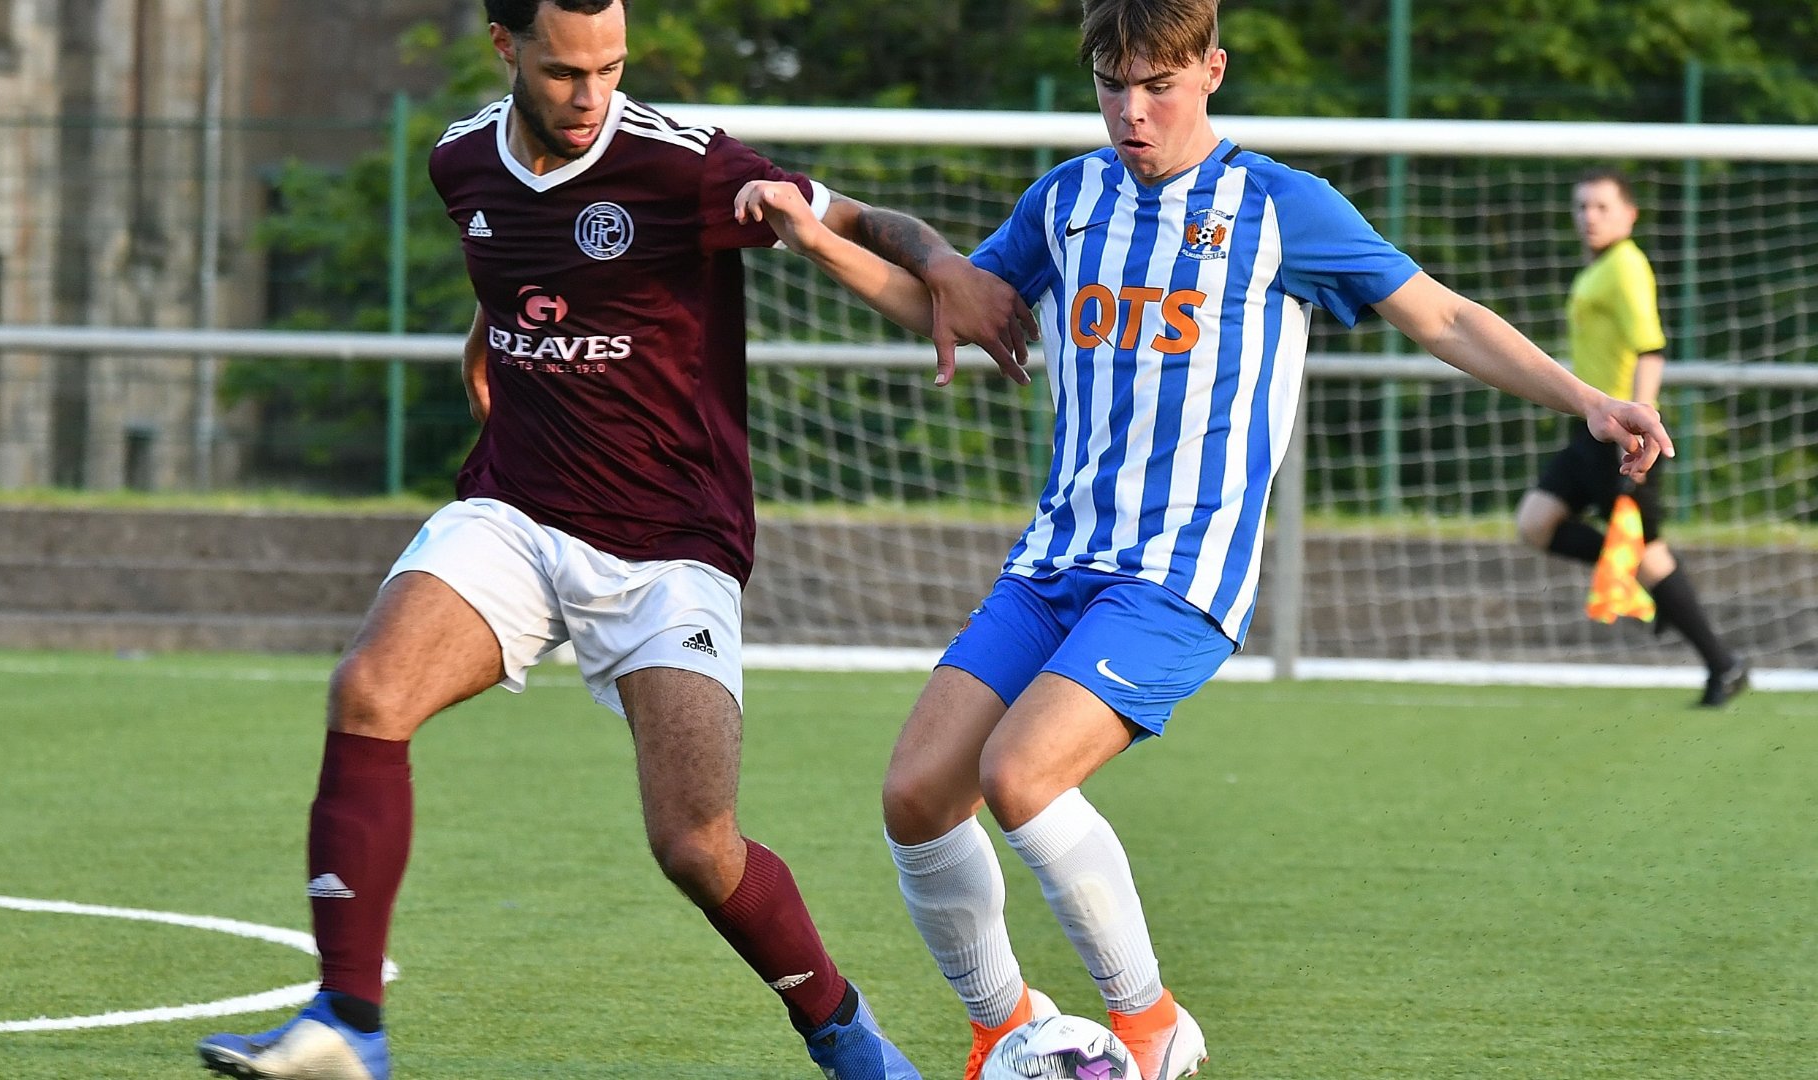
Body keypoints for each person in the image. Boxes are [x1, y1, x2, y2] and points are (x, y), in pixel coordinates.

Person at [733, 1, 1674, 1077]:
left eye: (1158, 85)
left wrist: (1589, 401)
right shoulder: (1068, 199)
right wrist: (815, 241)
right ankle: (1010, 1031)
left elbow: (1444, 318)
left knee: (1022, 775)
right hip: (1056, 561)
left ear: (1212, 71)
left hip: (1180, 576)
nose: (1132, 112)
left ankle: (1151, 1029)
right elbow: (946, 304)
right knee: (915, 796)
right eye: (1112, 84)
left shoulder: (1281, 208)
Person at [194, 2, 1034, 1078]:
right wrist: (488, 335)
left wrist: (946, 262)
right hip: (518, 508)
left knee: (694, 844)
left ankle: (845, 1036)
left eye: (612, 68)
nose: (592, 97)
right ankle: (347, 1022)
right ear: (506, 49)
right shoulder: (461, 161)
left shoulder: (682, 166)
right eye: (564, 73)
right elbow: (517, 273)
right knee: (368, 691)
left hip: (671, 544)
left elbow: (860, 217)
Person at [1514, 169, 1748, 707]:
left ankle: (1722, 663)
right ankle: (1681, 617)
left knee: (1645, 552)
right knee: (1536, 523)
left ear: (1629, 214)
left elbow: (1650, 349)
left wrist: (1637, 428)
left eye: (1601, 206)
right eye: (1581, 207)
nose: (1589, 217)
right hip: (1591, 431)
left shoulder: (1627, 267)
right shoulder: (1600, 268)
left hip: (1623, 436)